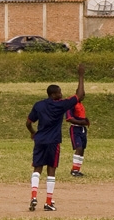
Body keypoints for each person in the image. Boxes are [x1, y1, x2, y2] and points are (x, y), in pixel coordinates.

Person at [26, 64, 85, 211]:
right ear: (53, 95)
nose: (61, 94)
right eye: (59, 92)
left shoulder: (39, 105)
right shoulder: (61, 105)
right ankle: (48, 202)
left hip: (40, 140)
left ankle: (33, 196)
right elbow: (80, 95)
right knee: (51, 170)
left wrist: (33, 132)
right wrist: (81, 75)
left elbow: (28, 122)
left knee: (37, 168)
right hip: (53, 141)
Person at [66, 99, 89, 177]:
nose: (83, 97)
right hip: (75, 128)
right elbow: (69, 118)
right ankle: (74, 171)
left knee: (82, 149)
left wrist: (85, 121)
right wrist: (80, 122)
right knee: (78, 148)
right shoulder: (72, 104)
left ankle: (77, 169)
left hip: (82, 129)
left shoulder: (81, 104)